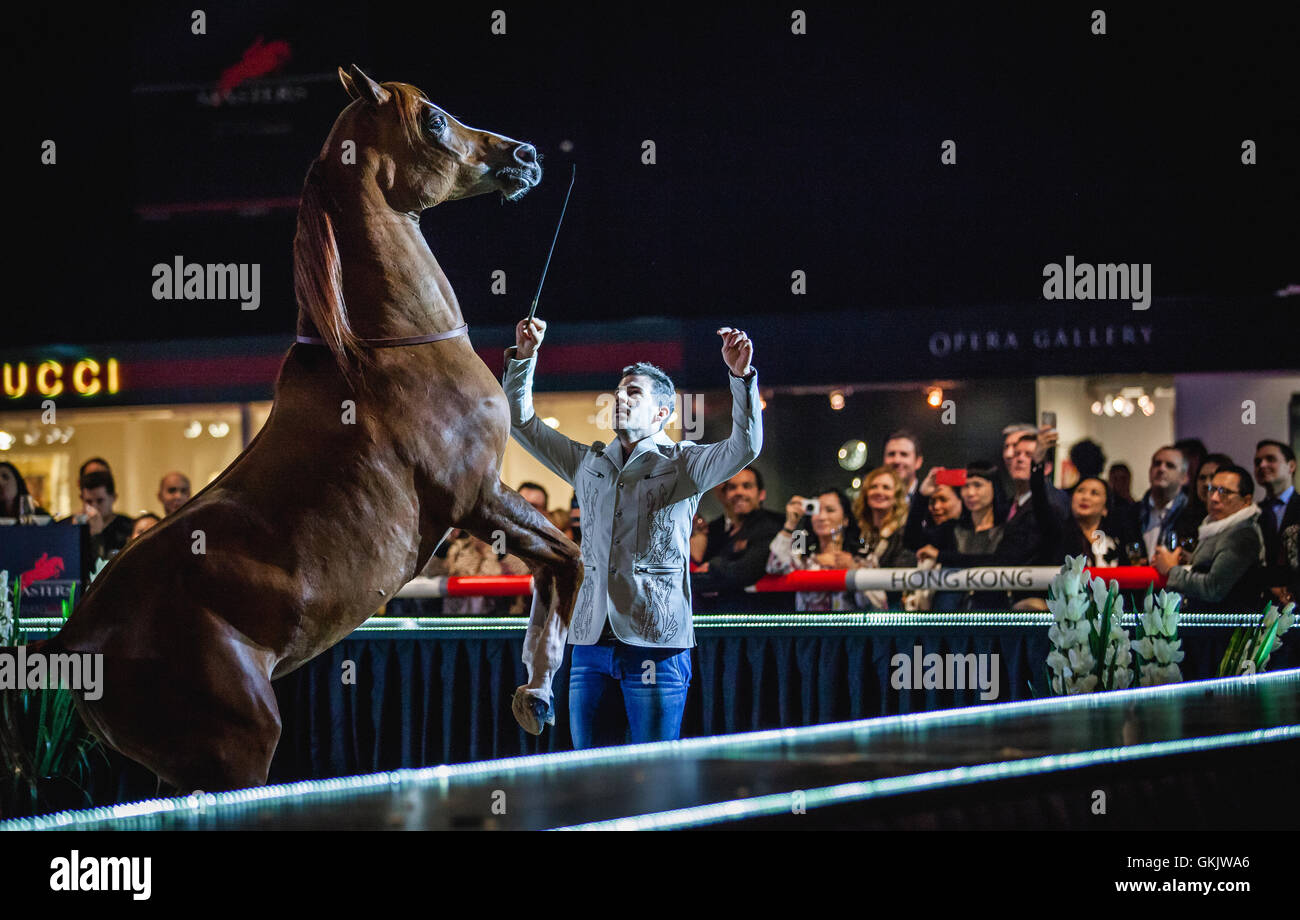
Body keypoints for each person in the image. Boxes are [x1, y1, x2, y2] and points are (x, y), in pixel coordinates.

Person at [503, 316, 761, 746]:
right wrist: (525, 358)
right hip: (588, 643)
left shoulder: (684, 461)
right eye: (619, 392)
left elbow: (745, 446)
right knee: (589, 774)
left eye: (633, 392)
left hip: (657, 644)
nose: (620, 397)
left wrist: (742, 378)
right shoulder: (589, 462)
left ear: (662, 412)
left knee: (654, 778)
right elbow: (520, 421)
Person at [1155, 465, 1264, 613]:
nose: (1214, 498)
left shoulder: (1242, 534)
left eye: (1224, 492)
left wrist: (1171, 570)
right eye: (1212, 489)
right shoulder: (1216, 526)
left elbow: (1213, 588)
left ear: (1246, 500)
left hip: (1226, 630)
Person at [692, 466, 785, 611]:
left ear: (761, 494)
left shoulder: (774, 525)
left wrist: (713, 566)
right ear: (724, 495)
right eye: (732, 487)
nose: (739, 492)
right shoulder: (713, 529)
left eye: (747, 486)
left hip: (760, 619)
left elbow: (748, 570)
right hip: (714, 618)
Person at [766, 487, 861, 610]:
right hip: (807, 627)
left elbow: (877, 604)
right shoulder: (802, 557)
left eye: (830, 510)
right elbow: (773, 567)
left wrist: (854, 571)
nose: (821, 517)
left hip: (851, 627)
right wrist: (790, 524)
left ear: (845, 520)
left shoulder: (861, 557)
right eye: (815, 511)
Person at [1118, 446, 1199, 564]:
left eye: (1170, 465)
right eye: (1157, 464)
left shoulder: (1195, 516)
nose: (1161, 469)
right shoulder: (1129, 514)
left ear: (1184, 477)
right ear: (1150, 471)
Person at [851, 466, 915, 609]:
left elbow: (900, 576)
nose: (879, 492)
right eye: (874, 487)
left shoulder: (904, 533)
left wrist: (854, 566)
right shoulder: (857, 532)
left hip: (894, 611)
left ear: (896, 496)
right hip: (858, 611)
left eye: (886, 487)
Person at [1254, 439, 1299, 603]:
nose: (1262, 465)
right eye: (1257, 462)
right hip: (1261, 605)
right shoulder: (1253, 513)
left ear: (1291, 466)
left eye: (1270, 459)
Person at [443, 530, 530, 615]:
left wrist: (488, 553)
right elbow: (455, 573)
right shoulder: (459, 550)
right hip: (458, 614)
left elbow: (490, 576)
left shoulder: (504, 564)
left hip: (492, 615)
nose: (480, 538)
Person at [75, 470, 135, 562]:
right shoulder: (77, 528)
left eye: (100, 501)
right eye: (88, 502)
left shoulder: (128, 527)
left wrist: (97, 535)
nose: (94, 508)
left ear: (113, 498)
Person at [882, 430, 924, 498]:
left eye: (904, 454)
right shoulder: (872, 500)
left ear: (918, 462)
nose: (897, 460)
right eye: (891, 454)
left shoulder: (931, 500)